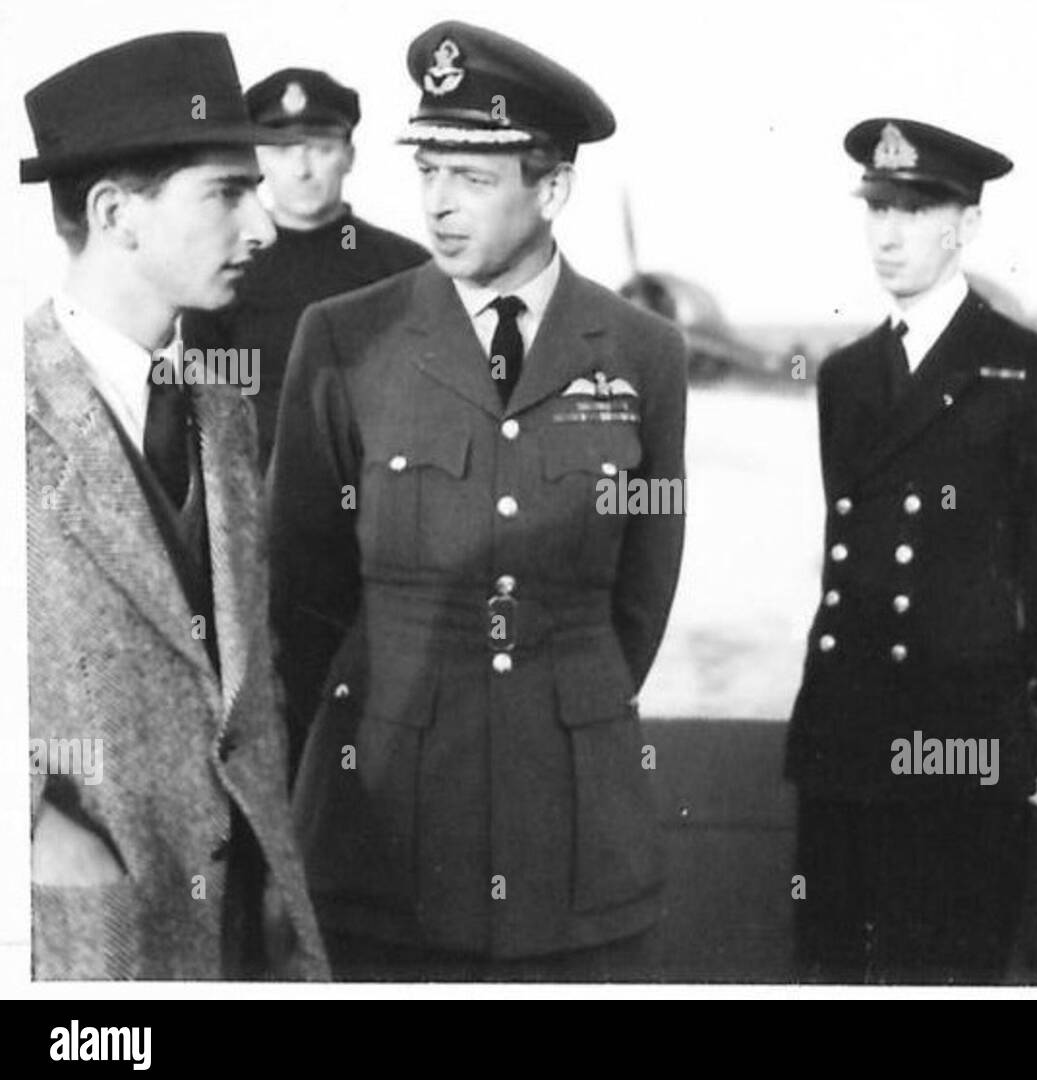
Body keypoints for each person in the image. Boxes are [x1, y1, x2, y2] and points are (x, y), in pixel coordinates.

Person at [268, 21, 688, 979]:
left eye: (474, 178)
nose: (440, 205)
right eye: (429, 172)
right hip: (387, 819)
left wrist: (557, 707)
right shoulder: (345, 339)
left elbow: (643, 590)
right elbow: (302, 587)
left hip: (571, 831)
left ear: (553, 190)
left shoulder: (643, 353)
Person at [22, 31, 329, 980]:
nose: (265, 227)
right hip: (93, 942)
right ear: (117, 213)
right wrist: (32, 826)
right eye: (227, 192)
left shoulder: (221, 410)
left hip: (240, 931)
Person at [786, 118, 1037, 984]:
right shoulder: (846, 377)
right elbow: (850, 554)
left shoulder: (1032, 373)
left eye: (914, 209)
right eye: (876, 208)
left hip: (959, 750)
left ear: (965, 225)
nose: (886, 232)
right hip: (843, 741)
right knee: (829, 973)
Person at [184, 67, 429, 473]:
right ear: (257, 159)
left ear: (349, 156)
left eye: (320, 148)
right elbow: (207, 407)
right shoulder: (221, 271)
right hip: (254, 493)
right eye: (282, 150)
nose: (302, 169)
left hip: (377, 491)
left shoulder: (406, 268)